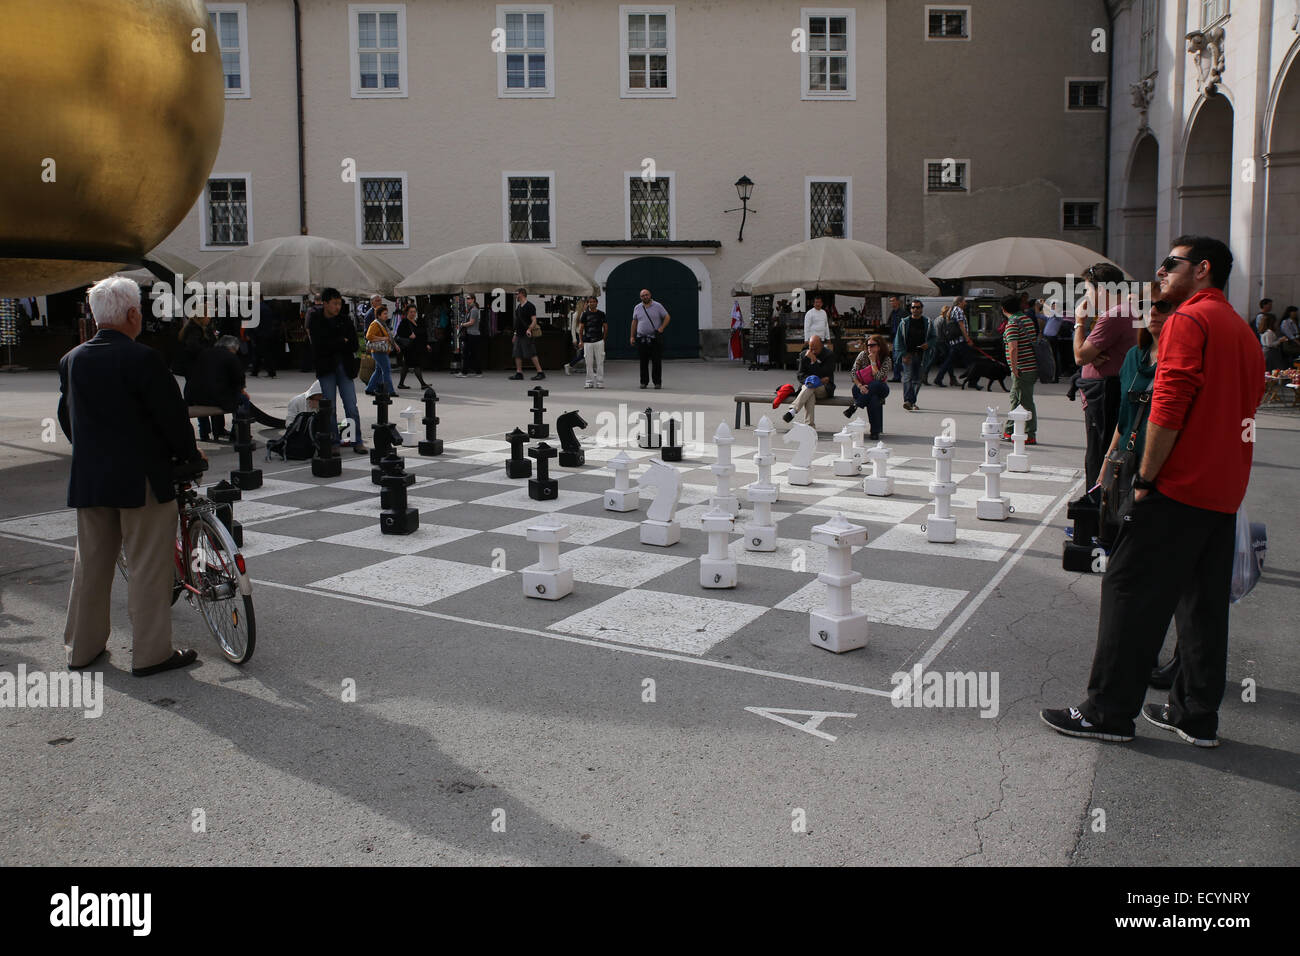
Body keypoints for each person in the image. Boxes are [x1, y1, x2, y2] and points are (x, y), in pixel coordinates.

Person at [1041, 235, 1265, 747]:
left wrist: (1144, 477)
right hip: (1222, 490)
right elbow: (1246, 409)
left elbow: (1170, 403)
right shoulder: (1242, 330)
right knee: (1201, 606)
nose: (1159, 272)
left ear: (1203, 268)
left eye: (1170, 264)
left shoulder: (1190, 319)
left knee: (1127, 590)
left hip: (1176, 485)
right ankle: (1195, 715)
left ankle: (1107, 712)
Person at [57, 275, 203, 677]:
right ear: (134, 314)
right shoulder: (143, 358)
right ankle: (151, 654)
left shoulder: (73, 359)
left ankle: (82, 650)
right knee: (148, 567)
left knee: (91, 566)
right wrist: (188, 455)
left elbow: (66, 418)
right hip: (141, 479)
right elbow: (171, 418)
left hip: (90, 479)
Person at [1095, 302, 1179, 689]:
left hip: (1162, 473)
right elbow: (1125, 416)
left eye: (1164, 307)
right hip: (1128, 465)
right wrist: (1108, 464)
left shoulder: (1180, 358)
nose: (1155, 314)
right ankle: (1139, 655)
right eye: (1150, 308)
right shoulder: (1135, 356)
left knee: (1145, 571)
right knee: (1124, 563)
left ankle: (1147, 658)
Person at [1073, 262, 1137, 504]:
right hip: (1107, 387)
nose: (1086, 296)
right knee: (1102, 450)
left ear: (1101, 289)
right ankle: (1101, 507)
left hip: (1104, 391)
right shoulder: (1124, 311)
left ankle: (1096, 509)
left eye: (1088, 290)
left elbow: (1080, 356)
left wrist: (1080, 322)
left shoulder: (1114, 315)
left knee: (1098, 452)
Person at [307, 287, 367, 454]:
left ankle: (357, 440)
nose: (337, 307)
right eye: (334, 303)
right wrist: (341, 341)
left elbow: (353, 344)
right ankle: (333, 441)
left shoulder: (345, 319)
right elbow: (319, 346)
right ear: (325, 303)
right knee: (329, 406)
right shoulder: (316, 319)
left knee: (351, 405)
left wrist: (335, 342)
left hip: (345, 367)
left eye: (339, 303)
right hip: (326, 367)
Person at [174, 311, 224, 441]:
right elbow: (194, 347)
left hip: (193, 370)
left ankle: (208, 430)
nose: (210, 317)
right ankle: (211, 430)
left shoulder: (195, 328)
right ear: (202, 317)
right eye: (208, 315)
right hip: (197, 369)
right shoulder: (195, 330)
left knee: (201, 398)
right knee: (205, 398)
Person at [999, 295, 1039, 444]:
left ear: (1003, 309)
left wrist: (1014, 368)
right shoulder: (1027, 319)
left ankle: (1029, 434)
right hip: (1030, 366)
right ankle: (1010, 431)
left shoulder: (1012, 323)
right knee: (1016, 399)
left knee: (1025, 401)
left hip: (1022, 368)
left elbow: (1013, 347)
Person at [186, 334, 252, 422]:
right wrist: (241, 391)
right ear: (233, 347)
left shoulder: (204, 353)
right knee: (244, 399)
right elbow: (238, 378)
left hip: (194, 396)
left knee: (212, 393)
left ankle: (204, 433)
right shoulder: (231, 356)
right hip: (216, 398)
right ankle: (238, 431)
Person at [844, 334, 893, 440]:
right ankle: (874, 432)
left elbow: (879, 378)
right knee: (873, 399)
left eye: (872, 345)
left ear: (879, 346)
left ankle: (856, 405)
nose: (869, 347)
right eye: (867, 345)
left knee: (875, 385)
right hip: (862, 387)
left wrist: (873, 362)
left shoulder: (886, 359)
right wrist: (860, 385)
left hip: (880, 388)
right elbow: (853, 373)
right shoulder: (862, 355)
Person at [782, 334, 836, 430]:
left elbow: (826, 374)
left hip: (824, 389)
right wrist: (813, 380)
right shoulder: (803, 355)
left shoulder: (829, 355)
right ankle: (810, 427)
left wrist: (814, 361)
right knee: (810, 390)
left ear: (821, 346)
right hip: (808, 389)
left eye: (815, 349)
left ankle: (793, 410)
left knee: (811, 386)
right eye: (811, 348)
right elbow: (800, 375)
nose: (812, 351)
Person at [893, 299, 936, 411]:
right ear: (910, 309)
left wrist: (928, 344)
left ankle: (912, 402)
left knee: (917, 379)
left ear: (921, 309)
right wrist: (903, 354)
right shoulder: (904, 323)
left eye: (917, 307)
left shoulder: (927, 322)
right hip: (908, 355)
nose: (915, 310)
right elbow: (898, 340)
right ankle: (908, 401)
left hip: (922, 355)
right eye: (913, 307)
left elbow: (934, 337)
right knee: (908, 377)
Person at [630, 288, 670, 389]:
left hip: (654, 339)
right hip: (641, 338)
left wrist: (661, 328)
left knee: (656, 361)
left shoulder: (658, 306)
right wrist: (632, 336)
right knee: (643, 362)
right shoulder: (637, 307)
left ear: (650, 295)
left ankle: (657, 382)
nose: (645, 297)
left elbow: (667, 317)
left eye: (646, 295)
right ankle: (644, 382)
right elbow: (634, 322)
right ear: (640, 297)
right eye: (643, 296)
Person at [933, 296, 971, 388]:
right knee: (970, 361)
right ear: (960, 302)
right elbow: (961, 325)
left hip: (955, 341)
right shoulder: (959, 310)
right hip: (960, 340)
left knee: (949, 361)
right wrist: (967, 338)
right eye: (964, 301)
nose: (965, 303)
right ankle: (972, 381)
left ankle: (939, 378)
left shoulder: (953, 310)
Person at [509, 287, 545, 381]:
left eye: (516, 294)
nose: (515, 295)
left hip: (526, 334)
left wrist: (529, 329)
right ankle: (519, 372)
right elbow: (518, 322)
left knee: (532, 353)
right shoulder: (519, 307)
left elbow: (534, 321)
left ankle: (540, 372)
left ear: (521, 294)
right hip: (519, 334)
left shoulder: (530, 306)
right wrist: (515, 334)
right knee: (517, 353)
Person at [364, 303, 398, 396]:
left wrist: (395, 345)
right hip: (378, 351)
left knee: (378, 370)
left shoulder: (383, 324)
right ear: (379, 315)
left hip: (381, 350)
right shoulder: (375, 324)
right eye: (385, 313)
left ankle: (369, 389)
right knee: (386, 370)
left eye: (387, 313)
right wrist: (382, 339)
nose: (387, 315)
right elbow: (368, 336)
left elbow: (389, 337)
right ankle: (390, 391)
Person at [394, 304, 430, 388]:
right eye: (411, 312)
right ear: (407, 312)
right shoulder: (405, 322)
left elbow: (421, 334)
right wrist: (408, 335)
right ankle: (423, 384)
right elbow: (399, 333)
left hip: (416, 347)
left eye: (414, 312)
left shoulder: (416, 321)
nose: (413, 313)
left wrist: (426, 344)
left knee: (406, 365)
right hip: (410, 348)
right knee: (416, 365)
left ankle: (401, 384)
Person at [578, 295, 608, 389]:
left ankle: (600, 382)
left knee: (600, 362)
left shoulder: (601, 314)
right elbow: (581, 328)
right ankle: (589, 381)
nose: (592, 303)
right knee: (589, 362)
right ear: (588, 303)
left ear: (597, 303)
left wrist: (603, 339)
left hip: (599, 340)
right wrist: (581, 340)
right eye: (590, 302)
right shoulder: (585, 314)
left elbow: (605, 327)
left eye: (593, 302)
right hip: (587, 341)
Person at [250, 298, 281, 378]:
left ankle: (271, 372)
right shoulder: (266, 307)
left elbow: (255, 322)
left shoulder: (258, 307)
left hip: (261, 334)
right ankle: (255, 371)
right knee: (261, 353)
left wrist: (253, 333)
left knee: (264, 353)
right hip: (268, 333)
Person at [456, 294, 483, 377]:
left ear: (473, 299)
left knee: (467, 353)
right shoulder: (471, 309)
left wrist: (462, 324)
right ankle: (477, 372)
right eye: (467, 299)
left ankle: (465, 372)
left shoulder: (474, 310)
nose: (467, 300)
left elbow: (471, 322)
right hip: (471, 334)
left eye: (469, 299)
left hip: (473, 334)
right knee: (472, 353)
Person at [886, 295, 906, 382]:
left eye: (893, 301)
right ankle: (897, 376)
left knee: (898, 356)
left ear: (898, 302)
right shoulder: (893, 313)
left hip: (901, 337)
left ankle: (906, 375)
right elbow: (889, 324)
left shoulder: (903, 313)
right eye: (890, 301)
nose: (891, 303)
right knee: (895, 357)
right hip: (894, 337)